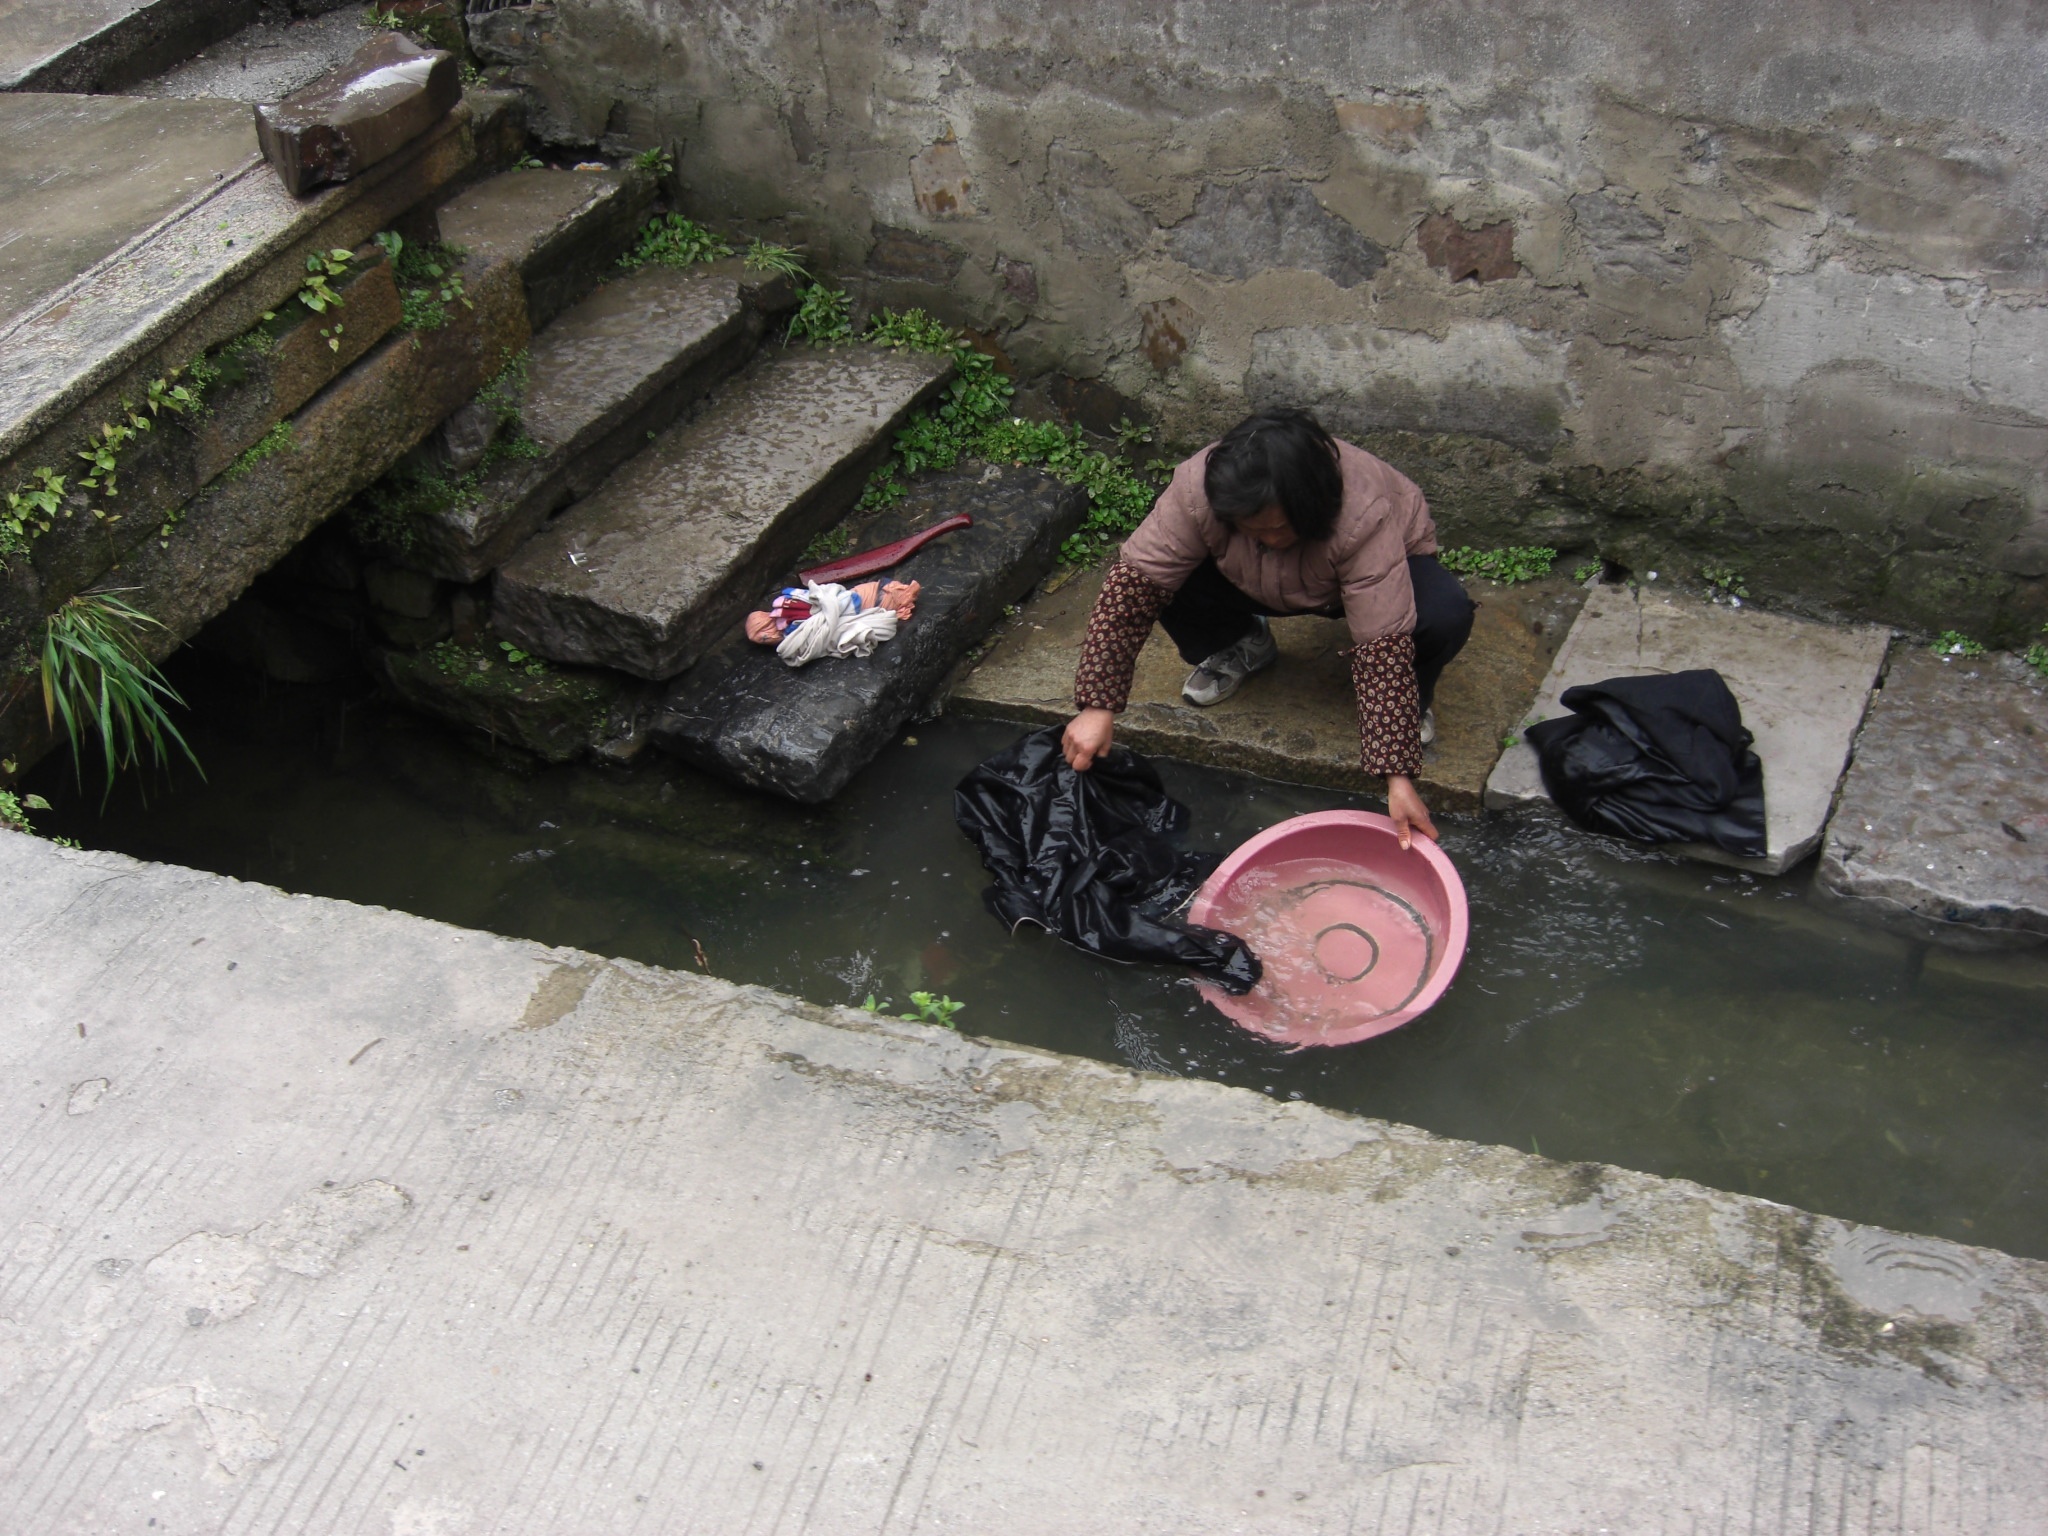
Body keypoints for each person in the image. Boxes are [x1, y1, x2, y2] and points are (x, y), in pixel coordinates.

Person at [1060, 408, 1474, 849]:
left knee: (1442, 613)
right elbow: (1133, 589)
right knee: (1156, 579)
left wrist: (1398, 776)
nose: (1270, 540)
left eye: (1278, 527)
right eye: (1253, 528)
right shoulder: (1198, 491)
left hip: (1363, 577)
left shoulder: (1362, 512)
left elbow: (1382, 637)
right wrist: (1097, 707)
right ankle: (1241, 642)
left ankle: (1409, 704)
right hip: (1247, 575)